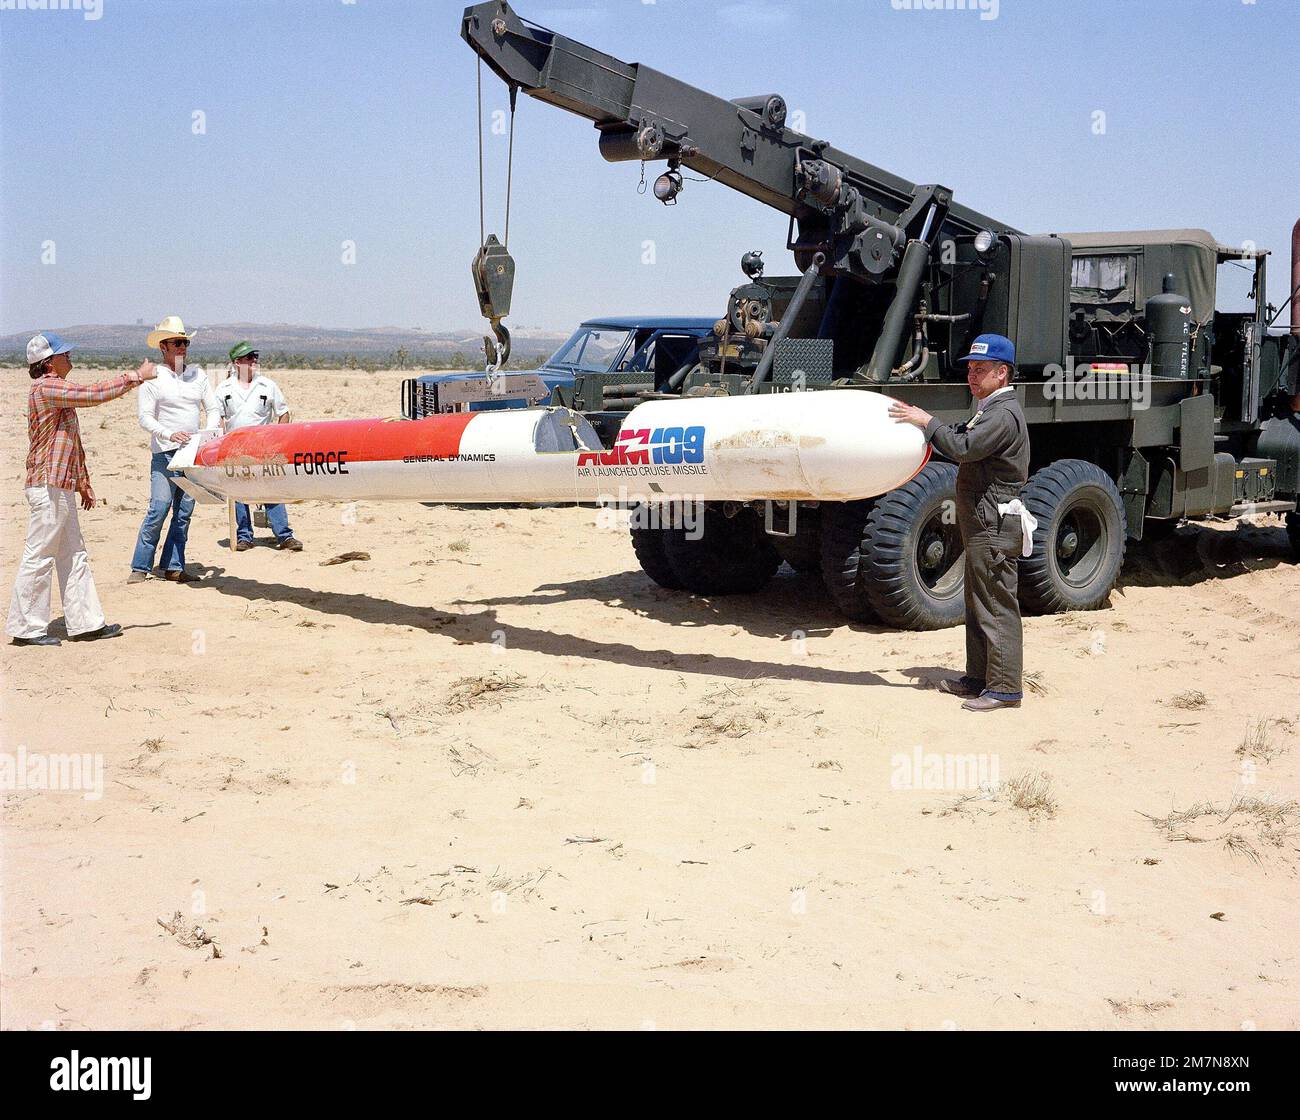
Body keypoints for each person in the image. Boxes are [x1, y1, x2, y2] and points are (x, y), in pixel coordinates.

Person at [889, 333, 1031, 712]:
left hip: (993, 523)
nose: (972, 375)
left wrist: (927, 421)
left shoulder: (1002, 414)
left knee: (996, 602)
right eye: (970, 368)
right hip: (984, 521)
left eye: (981, 369)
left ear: (1002, 373)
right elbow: (964, 438)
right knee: (977, 599)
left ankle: (1004, 689)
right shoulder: (991, 408)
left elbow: (963, 448)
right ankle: (979, 678)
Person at [8, 332, 156, 647]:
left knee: (73, 553)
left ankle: (86, 623)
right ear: (48, 362)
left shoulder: (53, 389)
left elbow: (69, 442)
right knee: (41, 555)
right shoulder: (48, 387)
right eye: (64, 354)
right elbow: (92, 393)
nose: (70, 357)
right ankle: (26, 628)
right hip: (48, 486)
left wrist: (82, 482)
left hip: (58, 485)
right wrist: (135, 377)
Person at [130, 316, 218, 583]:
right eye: (177, 342)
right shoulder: (153, 378)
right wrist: (169, 434)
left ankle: (173, 566)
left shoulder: (198, 375)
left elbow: (213, 409)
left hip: (192, 454)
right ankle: (140, 566)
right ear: (163, 347)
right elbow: (145, 417)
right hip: (165, 453)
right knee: (159, 506)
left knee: (184, 512)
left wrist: (207, 435)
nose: (182, 347)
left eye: (185, 342)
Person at [216, 341, 302, 551]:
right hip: (235, 447)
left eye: (255, 356)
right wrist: (221, 440)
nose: (254, 360)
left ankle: (284, 535)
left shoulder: (267, 385)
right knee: (238, 491)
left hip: (264, 447)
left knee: (271, 489)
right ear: (237, 362)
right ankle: (244, 536)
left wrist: (280, 438)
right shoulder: (223, 388)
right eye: (249, 357)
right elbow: (218, 417)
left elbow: (283, 412)